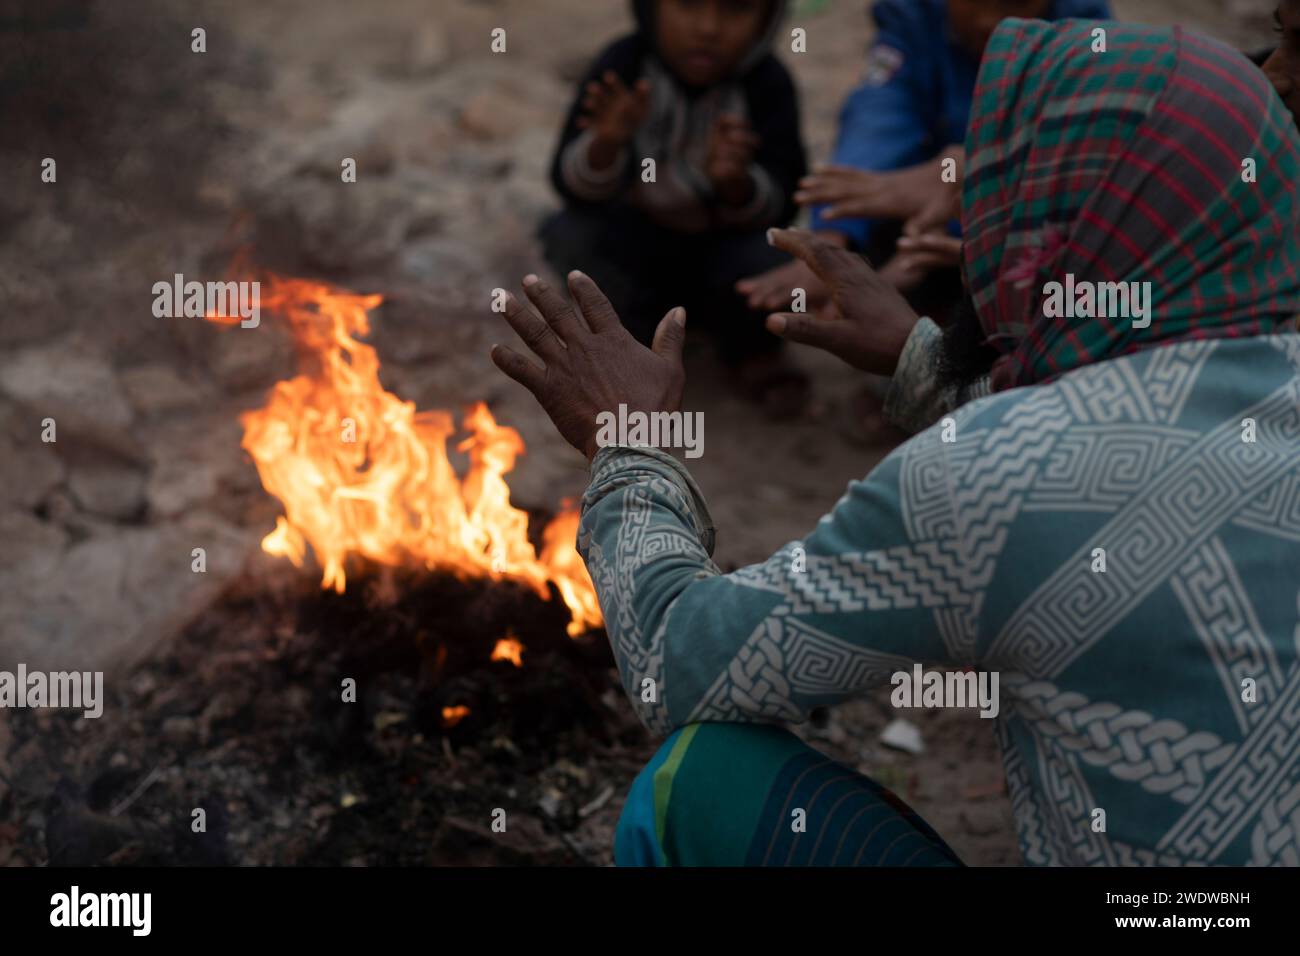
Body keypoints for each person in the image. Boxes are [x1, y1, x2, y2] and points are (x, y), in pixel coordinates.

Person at [491, 17, 1300, 865]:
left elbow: (674, 663)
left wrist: (630, 442)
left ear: (1056, 218)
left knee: (695, 781)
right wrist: (928, 363)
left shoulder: (991, 476)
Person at [737, 0, 1110, 313]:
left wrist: (978, 180)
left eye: (1017, 3)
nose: (989, 21)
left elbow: (1091, 150)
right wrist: (836, 228)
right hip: (931, 220)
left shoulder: (1087, 40)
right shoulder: (915, 16)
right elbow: (882, 109)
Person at [539, 0, 809, 417]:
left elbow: (784, 200)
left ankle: (752, 353)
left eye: (736, 10)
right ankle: (629, 352)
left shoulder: (766, 83)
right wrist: (606, 144)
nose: (708, 28)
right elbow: (570, 185)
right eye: (686, 4)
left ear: (768, 19)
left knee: (777, 258)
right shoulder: (624, 65)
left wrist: (735, 184)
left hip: (719, 252)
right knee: (570, 235)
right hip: (636, 245)